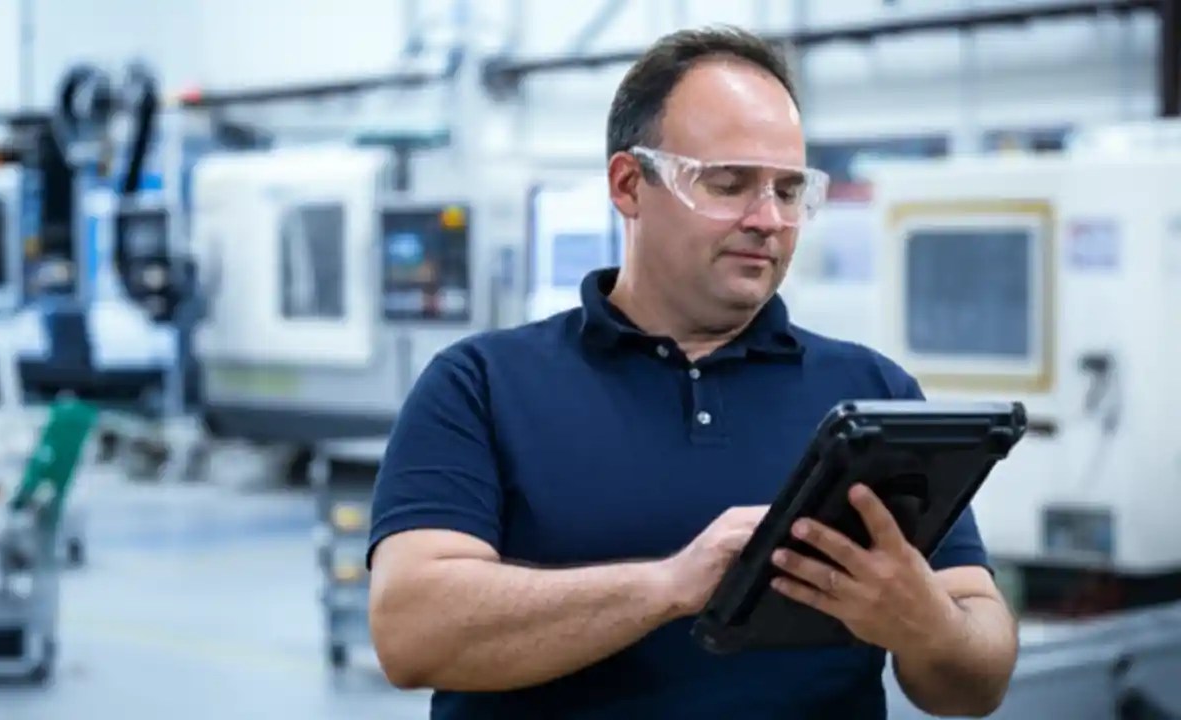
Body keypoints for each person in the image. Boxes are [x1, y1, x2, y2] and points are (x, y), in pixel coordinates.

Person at [366, 25, 1018, 720]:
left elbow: (977, 681)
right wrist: (670, 586)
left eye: (790, 190)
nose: (768, 219)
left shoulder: (871, 397)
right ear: (628, 184)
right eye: (730, 183)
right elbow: (413, 631)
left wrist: (923, 622)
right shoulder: (482, 386)